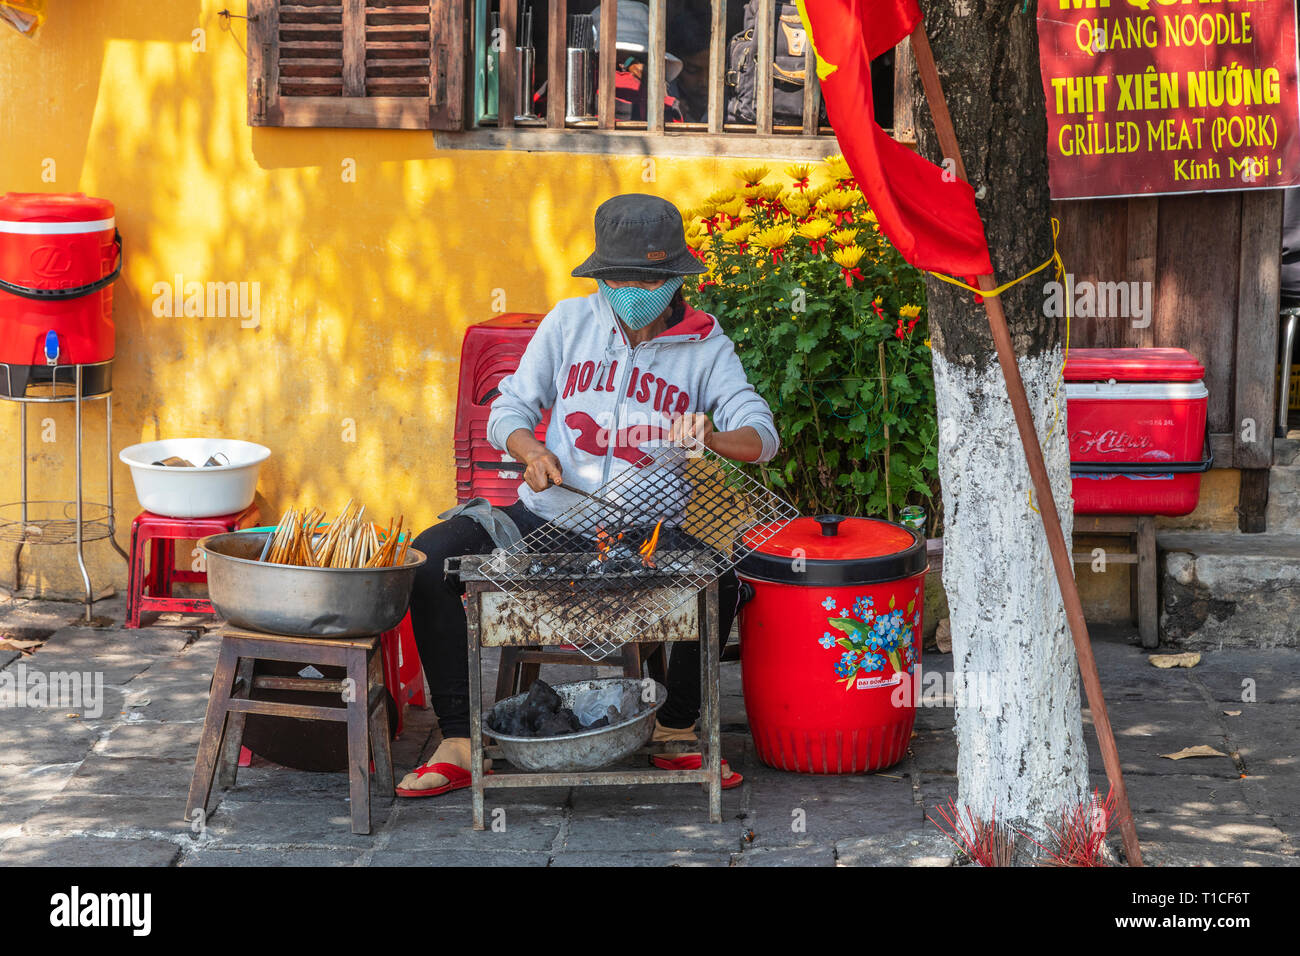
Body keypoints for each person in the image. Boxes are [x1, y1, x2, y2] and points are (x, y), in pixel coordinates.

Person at [397, 194, 780, 797]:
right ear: (600, 275)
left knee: (721, 578)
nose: (630, 289)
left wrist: (711, 434)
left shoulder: (706, 345)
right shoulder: (569, 323)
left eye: (646, 278)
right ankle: (459, 742)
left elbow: (762, 437)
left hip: (646, 534)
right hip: (548, 515)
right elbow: (510, 409)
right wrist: (532, 452)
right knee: (431, 556)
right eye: (618, 276)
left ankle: (678, 729)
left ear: (674, 278)